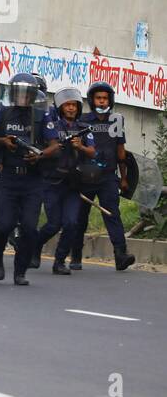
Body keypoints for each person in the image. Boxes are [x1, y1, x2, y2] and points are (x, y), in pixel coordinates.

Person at [0, 73, 48, 285]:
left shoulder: (41, 116)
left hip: (32, 180)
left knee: (29, 227)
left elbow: (55, 144)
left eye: (26, 93)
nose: (22, 97)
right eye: (18, 92)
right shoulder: (3, 113)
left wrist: (40, 154)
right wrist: (3, 141)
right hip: (8, 177)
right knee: (4, 225)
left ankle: (20, 271)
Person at [71, 81, 136, 271]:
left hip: (108, 177)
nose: (102, 101)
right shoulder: (82, 121)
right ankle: (75, 255)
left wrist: (124, 178)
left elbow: (121, 151)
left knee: (113, 215)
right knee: (80, 216)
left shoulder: (116, 120)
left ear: (111, 100)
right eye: (98, 98)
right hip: (86, 175)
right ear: (92, 100)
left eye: (105, 98)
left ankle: (120, 255)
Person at [34, 86, 96, 274]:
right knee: (54, 223)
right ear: (60, 107)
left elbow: (93, 152)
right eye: (67, 105)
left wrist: (81, 147)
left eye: (73, 105)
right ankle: (34, 246)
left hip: (73, 183)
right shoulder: (51, 125)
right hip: (52, 181)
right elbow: (43, 148)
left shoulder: (84, 129)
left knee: (71, 222)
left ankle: (59, 261)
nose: (70, 108)